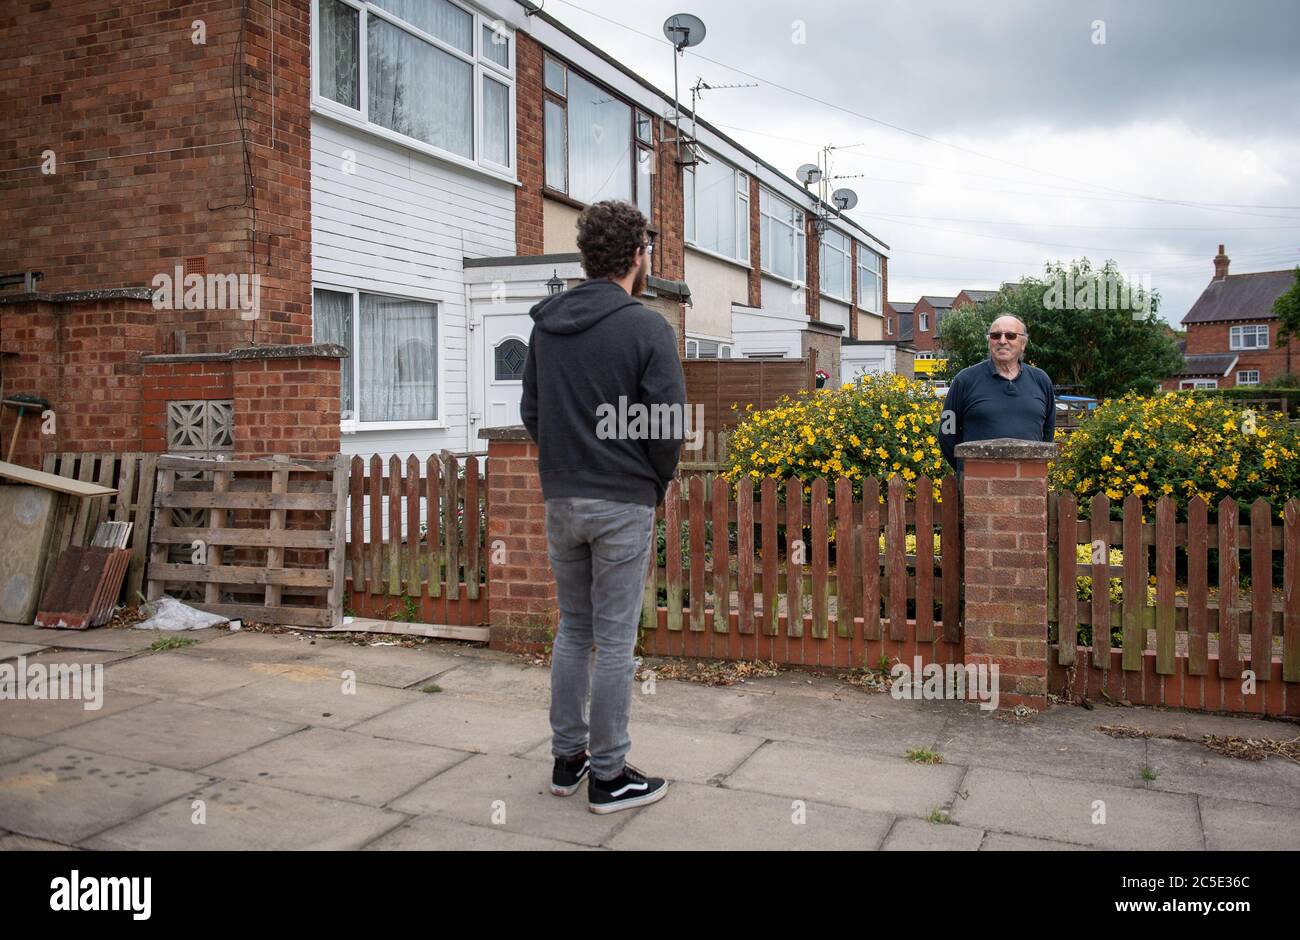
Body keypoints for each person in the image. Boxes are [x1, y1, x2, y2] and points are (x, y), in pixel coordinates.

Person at [520, 199, 686, 814]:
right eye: (647, 249)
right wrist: (651, 480)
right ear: (638, 256)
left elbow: (531, 414)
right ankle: (610, 777)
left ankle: (569, 760)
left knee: (574, 629)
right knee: (615, 642)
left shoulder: (546, 325)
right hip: (622, 501)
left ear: (587, 255)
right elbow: (667, 426)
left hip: (562, 499)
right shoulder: (646, 328)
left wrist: (566, 462)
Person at [938, 314, 1056, 473]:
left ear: (1023, 343)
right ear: (989, 342)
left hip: (1028, 483)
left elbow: (1048, 432)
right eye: (995, 335)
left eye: (1010, 336)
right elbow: (947, 430)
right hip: (978, 484)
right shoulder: (964, 380)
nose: (1002, 341)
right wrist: (965, 469)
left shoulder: (1041, 380)